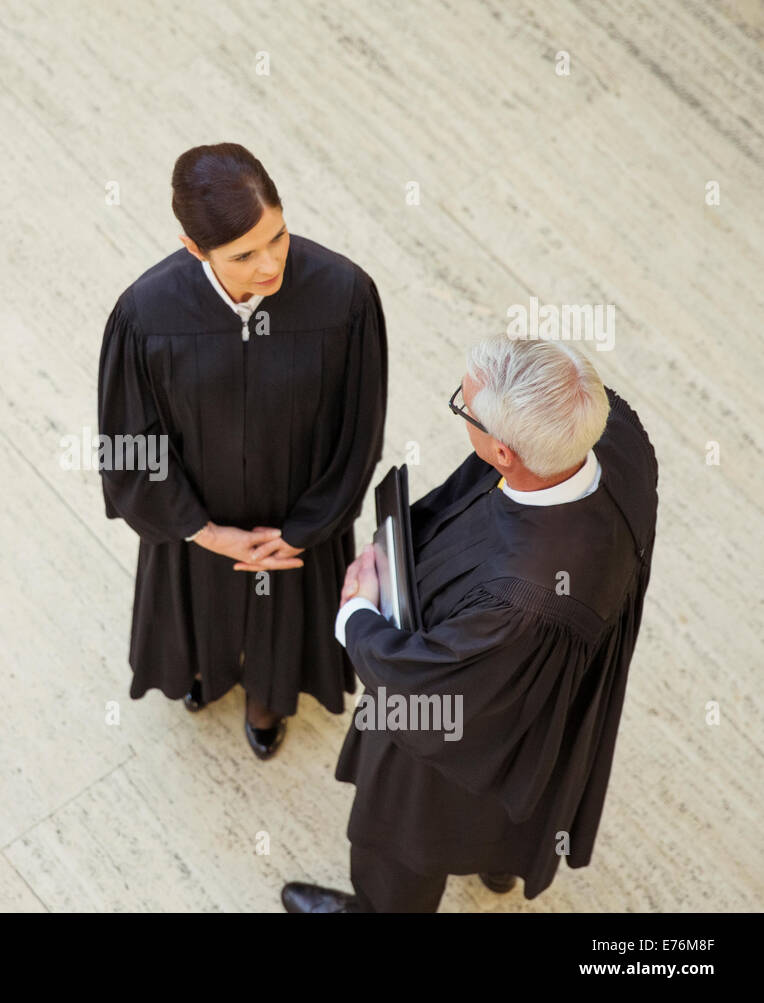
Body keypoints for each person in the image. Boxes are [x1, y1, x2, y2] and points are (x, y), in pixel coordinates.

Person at [282, 335, 658, 911]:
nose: (460, 404)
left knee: (404, 835)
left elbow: (429, 692)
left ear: (506, 453)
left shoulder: (523, 600)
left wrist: (357, 611)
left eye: (464, 407)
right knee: (514, 797)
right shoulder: (616, 433)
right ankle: (498, 862)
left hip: (464, 727)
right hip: (543, 698)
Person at [97, 143, 387, 759]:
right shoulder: (146, 315)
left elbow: (360, 426)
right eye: (244, 254)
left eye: (278, 236)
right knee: (199, 605)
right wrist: (201, 531)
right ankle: (203, 670)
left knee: (284, 613)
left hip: (298, 519)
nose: (270, 265)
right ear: (192, 248)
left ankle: (268, 696)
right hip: (197, 514)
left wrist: (307, 529)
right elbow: (128, 445)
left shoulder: (345, 296)